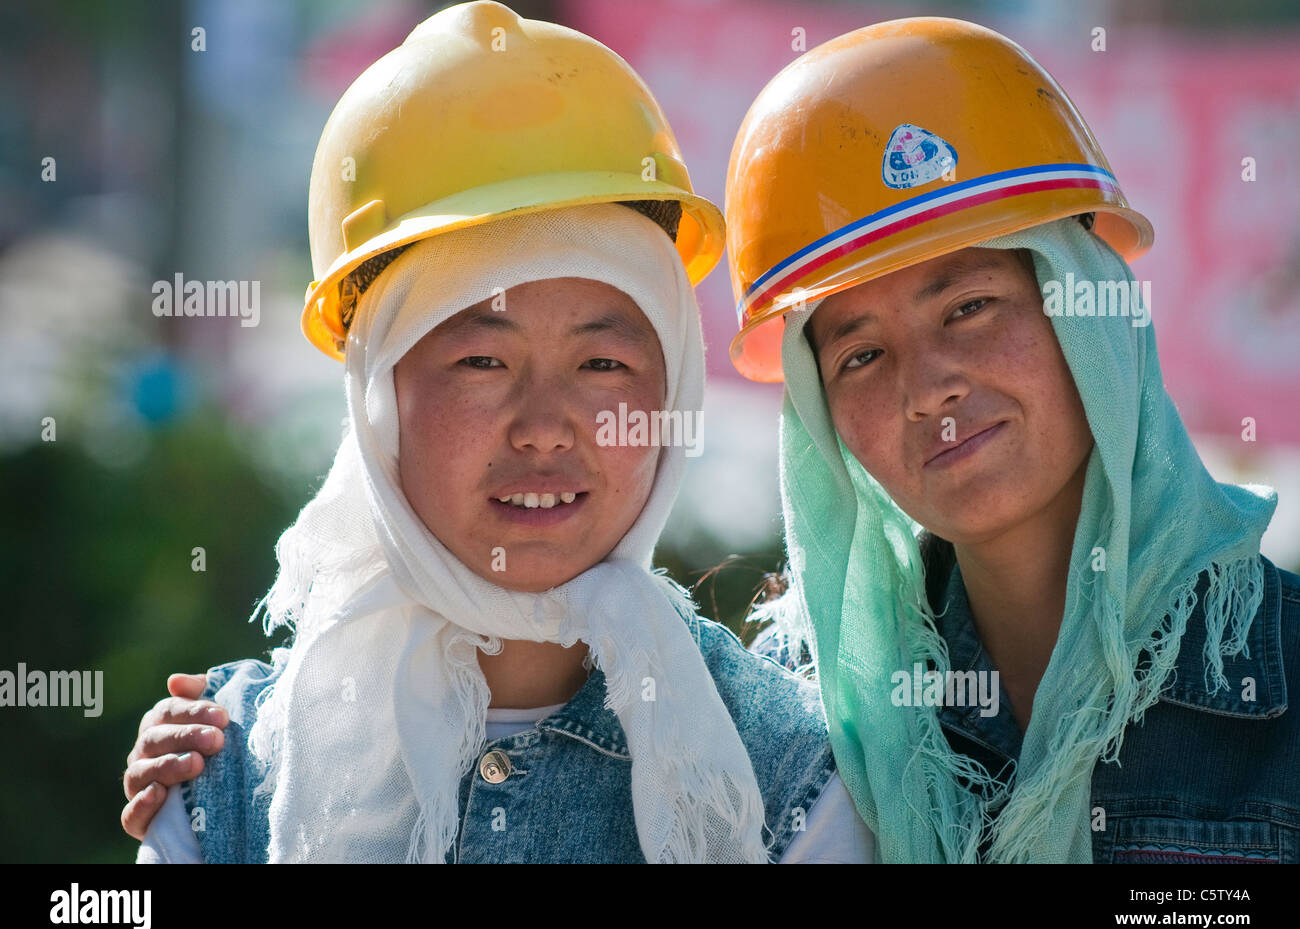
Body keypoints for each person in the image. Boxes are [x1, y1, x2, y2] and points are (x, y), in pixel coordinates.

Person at [123, 1, 874, 864]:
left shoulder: (790, 781)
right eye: (481, 361)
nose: (546, 428)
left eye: (603, 366)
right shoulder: (224, 778)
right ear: (379, 397)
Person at [724, 17, 1300, 862]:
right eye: (861, 355)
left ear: (1085, 304)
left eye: (969, 307)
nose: (929, 389)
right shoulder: (788, 720)